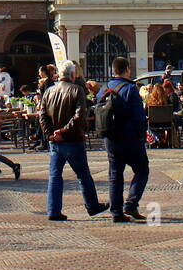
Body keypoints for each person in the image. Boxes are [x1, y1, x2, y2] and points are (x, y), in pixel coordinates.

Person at [39, 61, 107, 221]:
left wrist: (51, 134)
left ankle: (53, 210)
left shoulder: (49, 91)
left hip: (55, 141)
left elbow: (42, 115)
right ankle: (92, 206)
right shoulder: (77, 90)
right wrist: (63, 131)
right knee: (83, 175)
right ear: (73, 75)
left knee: (55, 176)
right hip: (73, 140)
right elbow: (79, 116)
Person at [99, 56, 149, 223]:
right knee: (142, 170)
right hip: (129, 138)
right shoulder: (130, 89)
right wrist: (141, 136)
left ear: (113, 70)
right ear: (127, 69)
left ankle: (116, 212)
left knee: (115, 174)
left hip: (110, 138)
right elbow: (139, 117)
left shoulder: (104, 88)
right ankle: (131, 203)